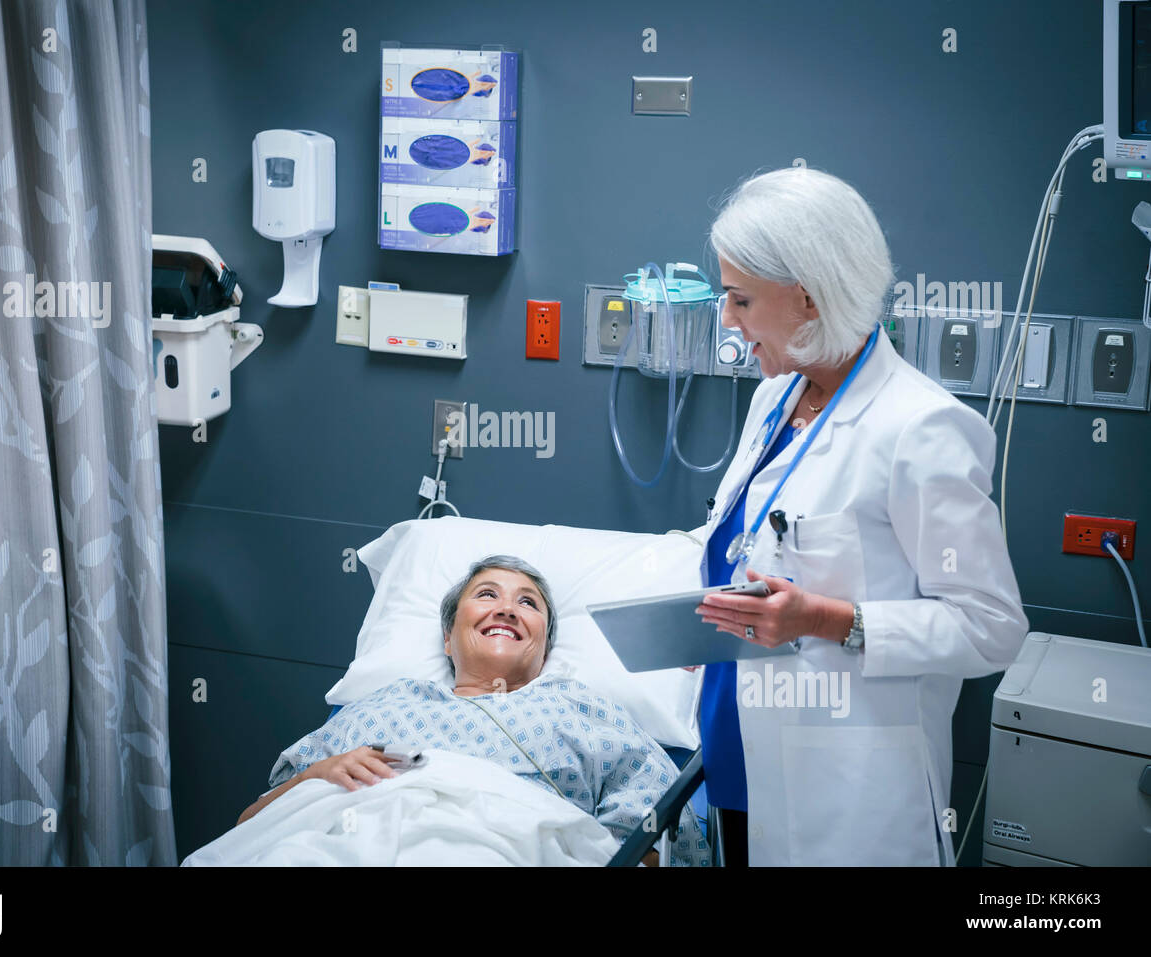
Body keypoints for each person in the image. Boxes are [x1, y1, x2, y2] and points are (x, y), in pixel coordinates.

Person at [691, 167, 1028, 866]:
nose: (727, 319)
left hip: (846, 791)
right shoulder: (776, 398)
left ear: (808, 298)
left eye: (741, 298)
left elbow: (992, 627)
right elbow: (746, 542)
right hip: (741, 754)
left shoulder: (920, 428)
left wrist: (827, 618)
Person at [237, 555, 709, 865]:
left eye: (528, 604)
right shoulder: (377, 707)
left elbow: (660, 840)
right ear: (447, 637)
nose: (506, 609)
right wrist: (317, 775)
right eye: (487, 595)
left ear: (544, 648)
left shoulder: (585, 711)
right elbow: (249, 828)